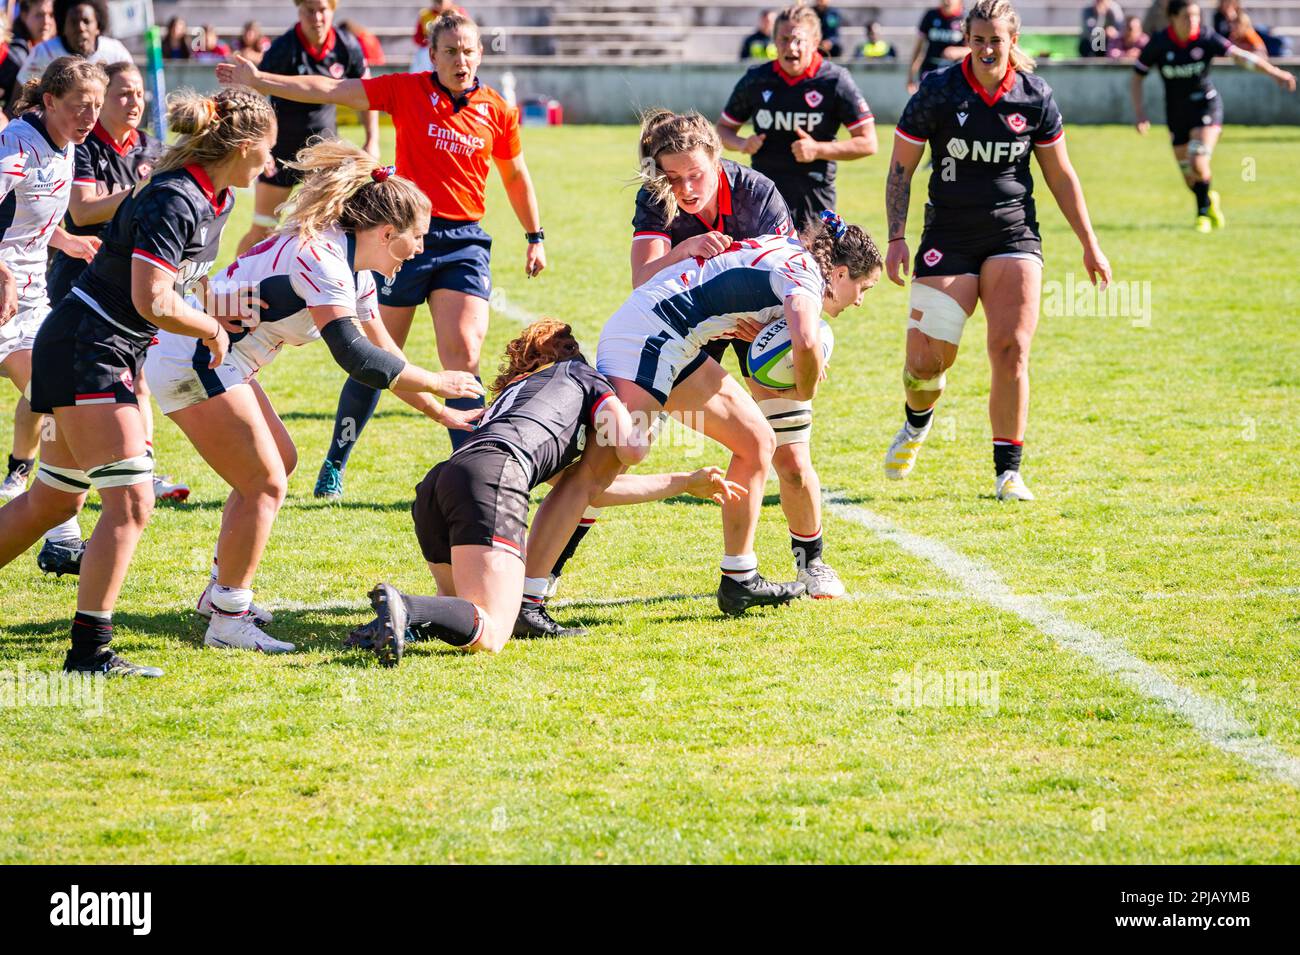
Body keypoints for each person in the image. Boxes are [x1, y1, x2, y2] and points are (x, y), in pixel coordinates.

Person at [144, 140, 484, 652]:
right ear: (387, 233)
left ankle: (220, 594)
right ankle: (227, 616)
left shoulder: (356, 267)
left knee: (279, 461)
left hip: (218, 358)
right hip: (190, 354)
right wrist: (438, 382)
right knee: (264, 482)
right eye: (416, 238)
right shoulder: (322, 256)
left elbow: (385, 354)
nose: (419, 250)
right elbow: (355, 356)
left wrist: (442, 412)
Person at [0, 85, 278, 677]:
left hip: (95, 347)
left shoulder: (217, 198)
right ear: (246, 145)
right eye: (268, 152)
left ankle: (89, 651)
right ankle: (90, 654)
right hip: (89, 348)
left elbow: (176, 286)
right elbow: (151, 299)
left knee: (52, 500)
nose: (272, 166)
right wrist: (208, 328)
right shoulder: (174, 198)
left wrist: (223, 306)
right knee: (130, 502)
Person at [217, 11, 546, 499]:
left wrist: (534, 235)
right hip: (395, 241)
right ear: (431, 55)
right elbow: (328, 90)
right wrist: (258, 79)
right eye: (451, 51)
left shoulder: (497, 109)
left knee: (463, 352)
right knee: (375, 355)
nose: (462, 59)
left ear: (481, 53)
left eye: (470, 50)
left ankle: (469, 470)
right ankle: (336, 461)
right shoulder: (406, 89)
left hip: (463, 243)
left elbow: (515, 175)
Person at [526, 218, 881, 626]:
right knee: (593, 476)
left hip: (672, 338)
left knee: (756, 442)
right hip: (649, 337)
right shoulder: (805, 275)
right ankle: (526, 597)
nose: (859, 301)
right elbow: (803, 339)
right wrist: (807, 382)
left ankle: (739, 578)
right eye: (863, 288)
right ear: (838, 273)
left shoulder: (790, 254)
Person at [348, 319, 747, 663]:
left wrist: (684, 482)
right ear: (568, 353)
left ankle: (395, 624)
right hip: (494, 476)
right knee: (493, 630)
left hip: (440, 481)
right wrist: (645, 411)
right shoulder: (586, 377)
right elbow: (632, 449)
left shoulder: (513, 394)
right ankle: (404, 605)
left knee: (457, 604)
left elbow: (588, 490)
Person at [883, 0, 1112, 501]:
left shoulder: (1034, 95)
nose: (988, 49)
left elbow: (1059, 175)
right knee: (925, 362)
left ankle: (1008, 472)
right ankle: (917, 423)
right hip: (947, 236)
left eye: (997, 40)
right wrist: (897, 237)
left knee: (1010, 349)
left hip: (1014, 235)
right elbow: (901, 168)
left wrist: (1089, 244)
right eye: (979, 39)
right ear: (967, 38)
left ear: (1013, 42)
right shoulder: (938, 90)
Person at [40, 61, 188, 565]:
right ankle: (37, 477)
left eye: (137, 94)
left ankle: (137, 463)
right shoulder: (84, 144)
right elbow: (82, 211)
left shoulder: (149, 147)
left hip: (127, 293)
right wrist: (144, 192)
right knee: (41, 399)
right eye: (121, 94)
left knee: (133, 382)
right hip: (79, 285)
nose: (131, 102)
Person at [0, 58, 104, 528]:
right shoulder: (16, 144)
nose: (90, 118)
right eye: (81, 106)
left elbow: (30, 218)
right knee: (50, 391)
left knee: (50, 389)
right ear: (49, 101)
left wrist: (65, 240)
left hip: (31, 292)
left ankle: (28, 481)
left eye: (96, 107)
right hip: (4, 293)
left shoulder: (67, 144)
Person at [1131, 0, 1294, 231]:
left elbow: (1240, 56)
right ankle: (1209, 201)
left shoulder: (1206, 37)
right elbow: (1137, 76)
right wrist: (1140, 113)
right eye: (1188, 17)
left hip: (1206, 106)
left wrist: (1275, 73)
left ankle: (1202, 216)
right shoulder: (1159, 43)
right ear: (1173, 18)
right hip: (1176, 113)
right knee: (1189, 176)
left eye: (1197, 16)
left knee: (1198, 158)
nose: (1193, 22)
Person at [233, 0, 378, 259]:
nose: (317, 17)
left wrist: (372, 139)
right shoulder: (282, 49)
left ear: (333, 9)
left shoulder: (348, 46)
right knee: (263, 230)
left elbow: (367, 95)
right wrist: (260, 145)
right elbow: (256, 96)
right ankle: (232, 284)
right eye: (309, 10)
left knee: (327, 229)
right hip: (280, 152)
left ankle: (311, 289)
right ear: (298, 10)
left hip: (324, 154)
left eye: (322, 9)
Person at [717, 3, 877, 232]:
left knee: (812, 265)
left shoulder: (834, 80)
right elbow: (722, 130)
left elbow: (868, 142)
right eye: (783, 39)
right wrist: (742, 143)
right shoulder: (756, 79)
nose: (790, 47)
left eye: (798, 40)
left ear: (814, 42)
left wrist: (818, 149)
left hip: (814, 197)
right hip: (763, 195)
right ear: (774, 41)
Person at [17, 0, 131, 84]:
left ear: (98, 26)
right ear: (63, 26)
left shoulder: (116, 52)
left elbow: (134, 87)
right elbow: (18, 102)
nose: (80, 28)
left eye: (86, 21)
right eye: (73, 22)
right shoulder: (44, 52)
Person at [2, 1, 57, 118]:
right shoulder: (16, 56)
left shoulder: (53, 51)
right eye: (39, 15)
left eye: (51, 15)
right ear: (23, 15)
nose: (46, 21)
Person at [909, 0, 969, 93]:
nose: (947, 1)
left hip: (955, 73)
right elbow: (919, 48)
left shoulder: (966, 18)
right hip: (930, 70)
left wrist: (959, 51)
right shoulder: (931, 15)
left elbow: (975, 49)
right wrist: (911, 76)